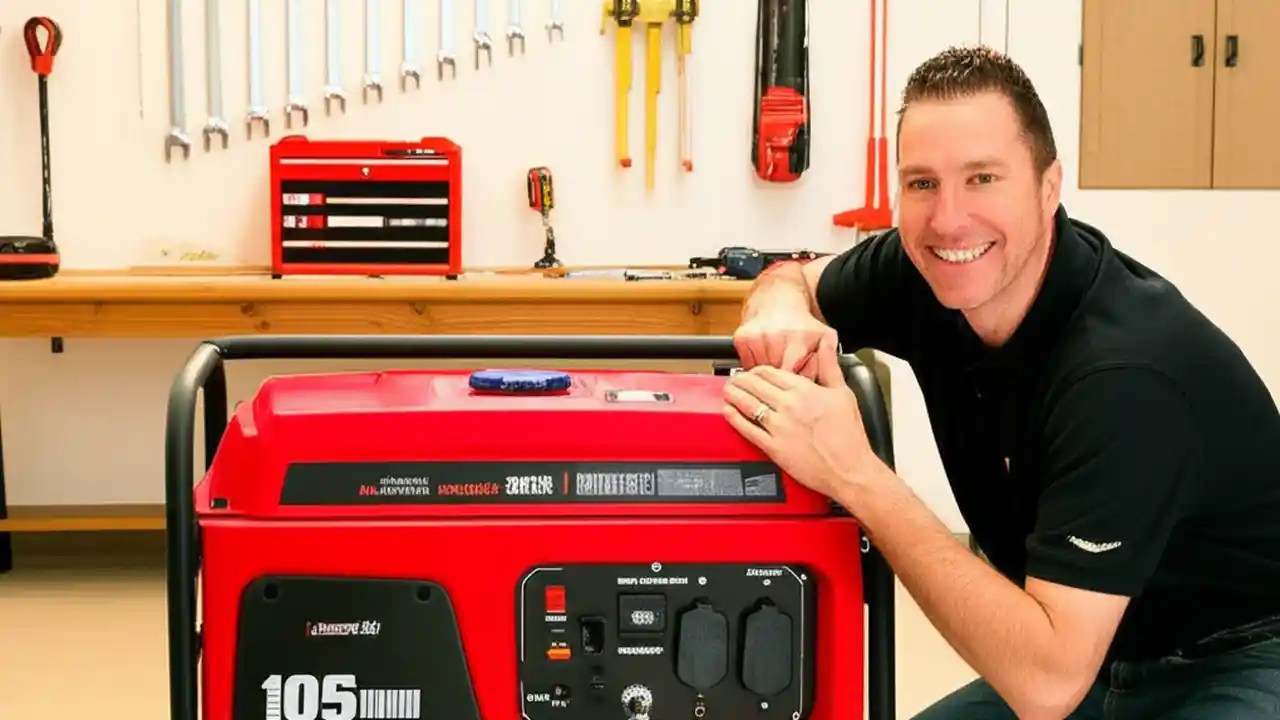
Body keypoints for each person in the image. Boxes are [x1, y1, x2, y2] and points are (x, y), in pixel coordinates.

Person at [724, 45, 1280, 719]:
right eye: (921, 183)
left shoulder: (1125, 375)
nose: (950, 218)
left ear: (1050, 188)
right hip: (1093, 654)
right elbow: (791, 278)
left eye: (983, 178)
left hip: (1241, 658)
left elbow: (1045, 687)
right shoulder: (921, 268)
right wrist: (779, 308)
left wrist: (855, 473)